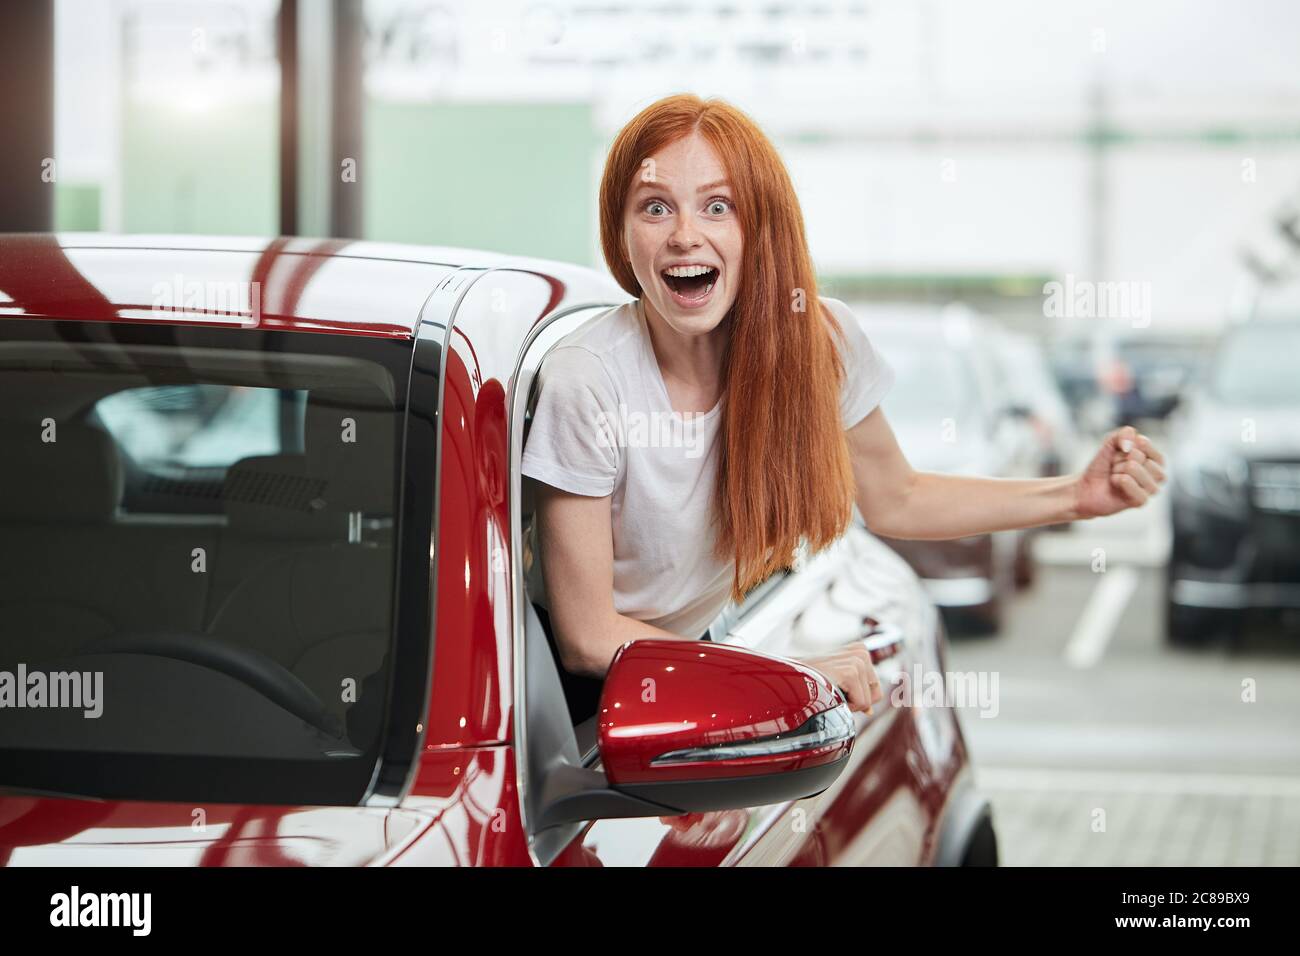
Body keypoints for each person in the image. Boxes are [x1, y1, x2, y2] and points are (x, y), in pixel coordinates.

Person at [521, 93, 1165, 719]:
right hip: (565, 695)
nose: (686, 235)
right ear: (620, 232)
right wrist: (777, 676)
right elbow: (585, 636)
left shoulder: (817, 344)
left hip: (689, 656)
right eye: (655, 208)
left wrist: (1075, 497)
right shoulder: (589, 380)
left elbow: (899, 497)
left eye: (718, 206)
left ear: (761, 228)